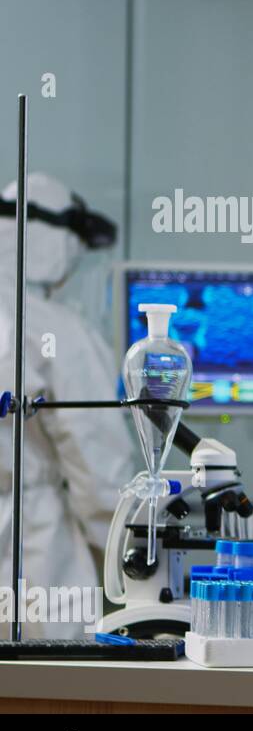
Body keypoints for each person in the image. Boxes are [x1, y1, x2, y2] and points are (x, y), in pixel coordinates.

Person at [0, 173, 135, 638]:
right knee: (50, 684)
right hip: (32, 542)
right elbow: (99, 472)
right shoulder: (56, 329)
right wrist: (134, 558)